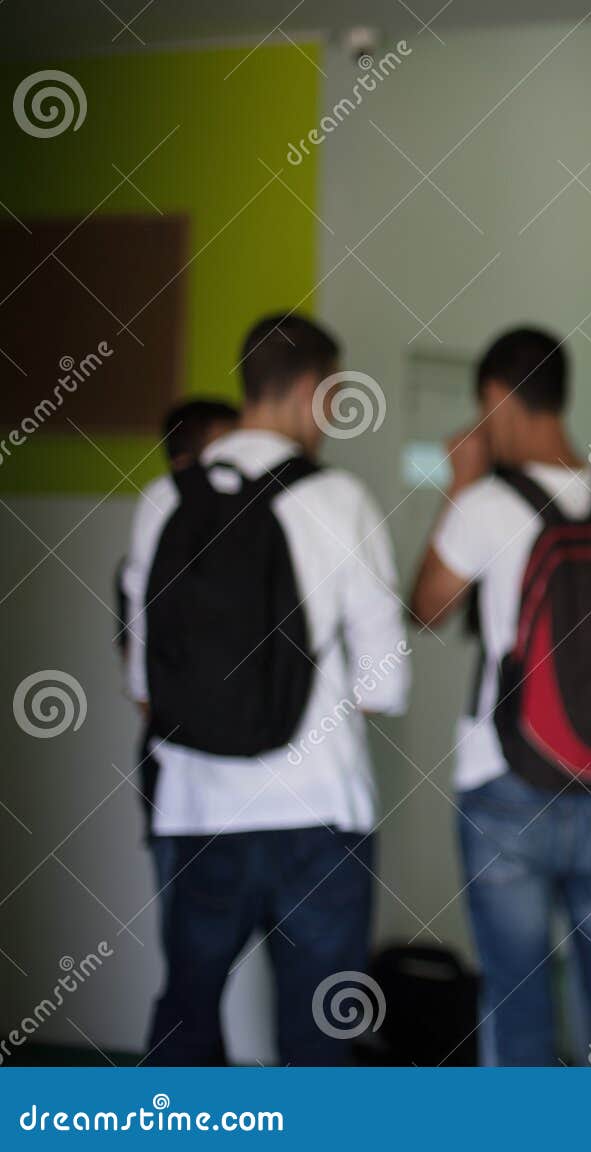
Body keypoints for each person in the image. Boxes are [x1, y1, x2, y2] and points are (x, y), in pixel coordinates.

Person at [122, 313, 409, 1065]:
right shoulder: (340, 498)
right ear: (314, 389)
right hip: (320, 813)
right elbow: (385, 685)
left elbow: (143, 681)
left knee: (187, 1016)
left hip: (195, 807)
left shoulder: (164, 502)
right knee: (318, 1036)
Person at [410, 327, 591, 1066]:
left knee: (518, 1003)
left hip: (505, 783)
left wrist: (460, 484)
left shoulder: (489, 503)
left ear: (496, 399)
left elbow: (426, 607)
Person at [114, 398, 240, 838]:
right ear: (185, 464)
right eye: (230, 449)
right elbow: (144, 685)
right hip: (179, 776)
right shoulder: (154, 556)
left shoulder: (249, 547)